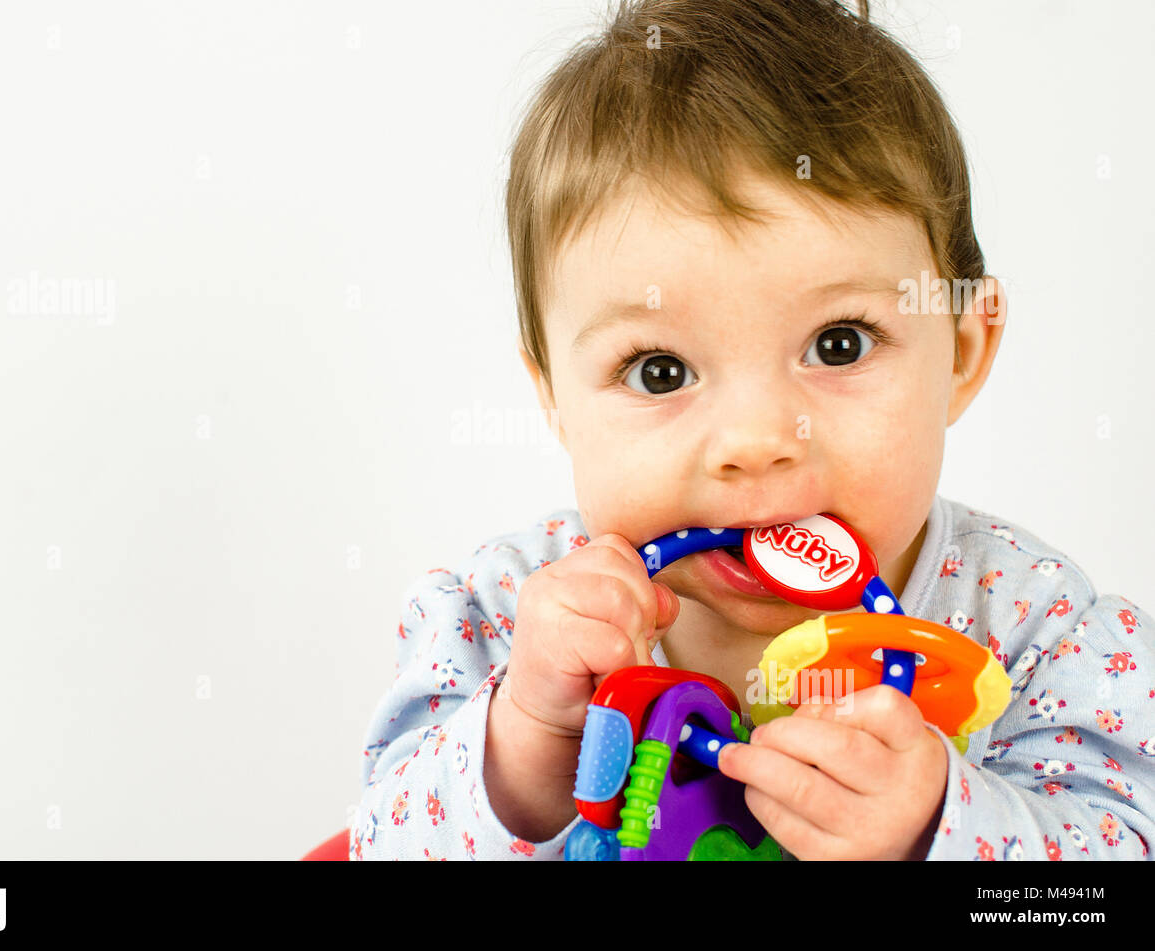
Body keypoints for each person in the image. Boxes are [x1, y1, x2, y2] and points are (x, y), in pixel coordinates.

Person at [349, 0, 1155, 860]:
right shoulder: (507, 615)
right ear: (552, 393)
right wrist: (521, 746)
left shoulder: (1034, 630)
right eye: (660, 370)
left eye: (838, 344)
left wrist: (938, 828)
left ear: (961, 348)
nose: (758, 437)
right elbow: (374, 844)